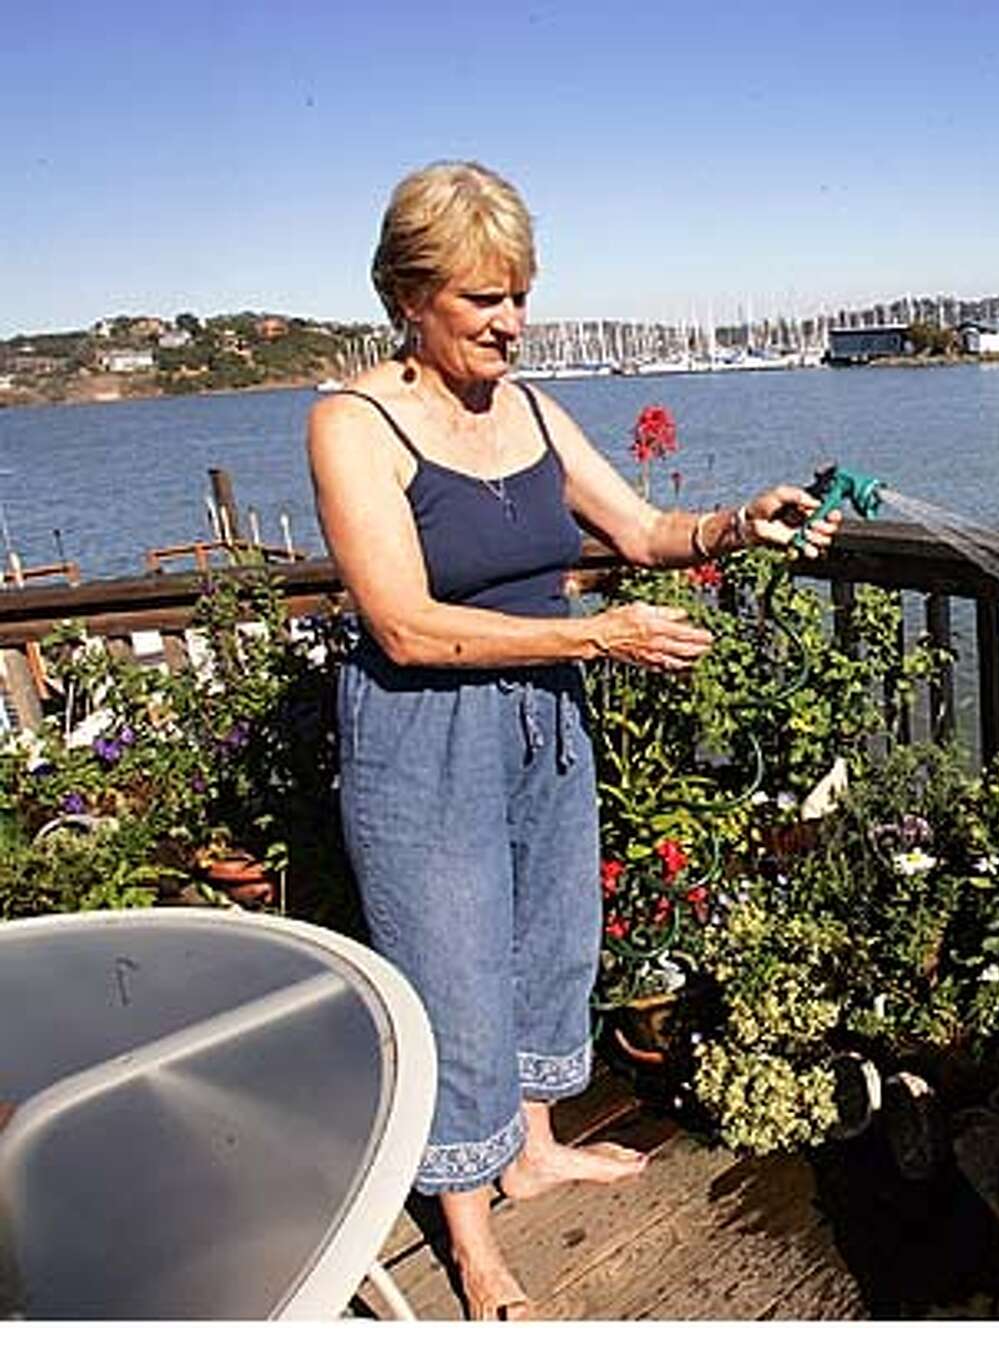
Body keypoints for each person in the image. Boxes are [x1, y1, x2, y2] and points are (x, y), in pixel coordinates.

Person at [307, 160, 839, 1321]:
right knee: (449, 970)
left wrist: (738, 521)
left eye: (518, 295)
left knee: (550, 936)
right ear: (408, 295)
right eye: (480, 300)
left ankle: (534, 1146)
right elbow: (402, 622)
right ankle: (470, 1234)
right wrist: (595, 638)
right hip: (422, 728)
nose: (510, 323)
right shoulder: (354, 423)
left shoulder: (536, 411)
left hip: (542, 715)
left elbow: (648, 529)